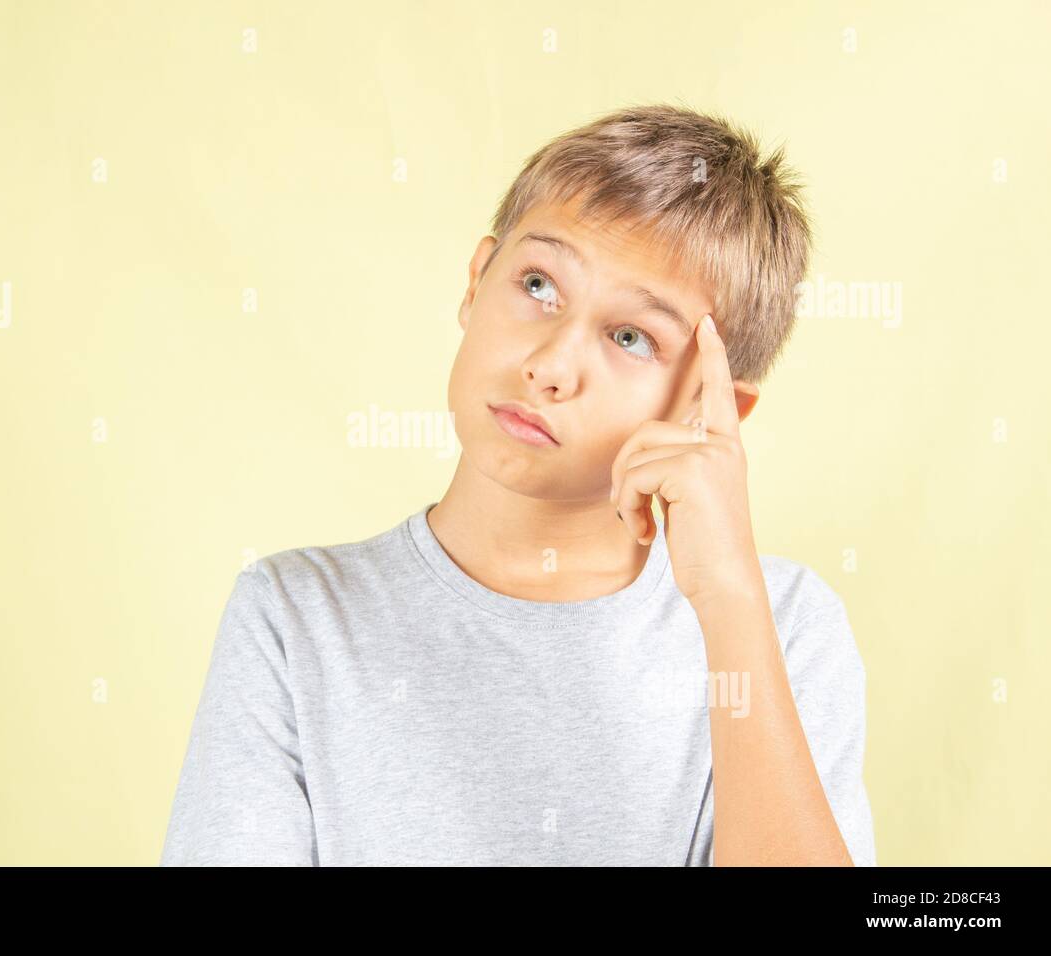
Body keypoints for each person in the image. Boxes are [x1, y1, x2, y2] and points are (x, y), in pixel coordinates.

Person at [160, 103, 876, 866]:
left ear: (714, 409)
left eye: (630, 337)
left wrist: (730, 602)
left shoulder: (786, 630)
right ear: (476, 281)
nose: (550, 367)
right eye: (538, 285)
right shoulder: (295, 618)